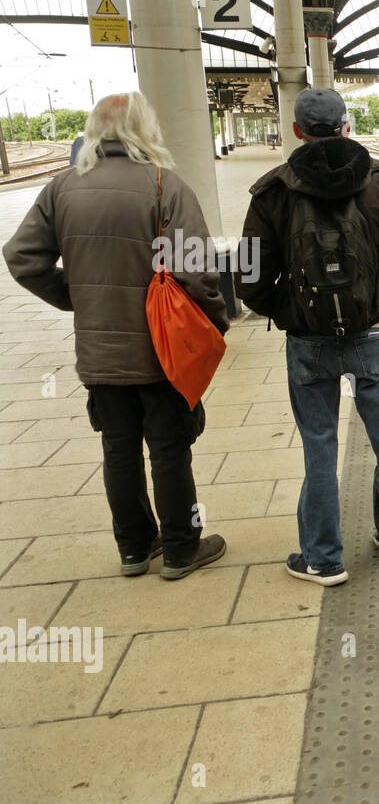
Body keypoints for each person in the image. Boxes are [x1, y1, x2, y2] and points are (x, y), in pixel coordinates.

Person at [3, 92, 229, 579]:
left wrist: (75, 296)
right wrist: (213, 321)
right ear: (144, 130)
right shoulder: (163, 185)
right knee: (169, 449)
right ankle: (181, 548)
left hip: (99, 353)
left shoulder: (61, 188)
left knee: (118, 449)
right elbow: (197, 270)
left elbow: (22, 257)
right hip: (160, 349)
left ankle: (133, 549)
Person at [238, 88, 379, 586]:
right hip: (370, 337)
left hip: (308, 342)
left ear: (297, 130)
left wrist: (291, 310)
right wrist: (378, 298)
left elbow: (249, 281)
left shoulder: (273, 192)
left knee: (319, 446)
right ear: (347, 126)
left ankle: (323, 560)